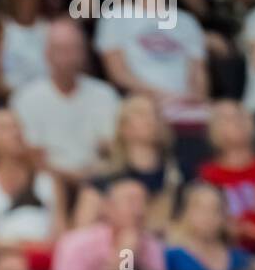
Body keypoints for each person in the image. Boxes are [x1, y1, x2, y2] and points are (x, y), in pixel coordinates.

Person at [95, 0, 208, 123]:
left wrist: (194, 98)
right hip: (141, 105)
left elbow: (198, 73)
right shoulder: (115, 17)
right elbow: (118, 73)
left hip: (186, 106)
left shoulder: (187, 22)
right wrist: (162, 96)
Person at [10, 19, 120, 188]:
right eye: (60, 50)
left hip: (98, 181)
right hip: (48, 181)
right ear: (47, 53)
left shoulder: (105, 95)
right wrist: (70, 178)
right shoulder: (26, 97)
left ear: (84, 53)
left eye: (73, 49)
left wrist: (92, 176)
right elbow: (31, 155)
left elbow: (112, 149)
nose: (68, 58)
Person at [50, 175, 166, 270]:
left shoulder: (152, 245)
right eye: (131, 201)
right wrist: (126, 253)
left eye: (143, 202)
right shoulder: (76, 242)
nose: (139, 210)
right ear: (108, 207)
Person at [0, 107, 65, 270]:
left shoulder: (48, 180)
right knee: (12, 267)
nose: (15, 133)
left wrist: (29, 249)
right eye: (5, 129)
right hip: (3, 263)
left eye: (17, 127)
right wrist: (26, 249)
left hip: (47, 261)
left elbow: (61, 235)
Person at [72, 94, 183, 236]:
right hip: (122, 253)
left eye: (155, 114)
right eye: (141, 114)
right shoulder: (103, 181)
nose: (151, 120)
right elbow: (81, 235)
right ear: (123, 127)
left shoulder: (177, 176)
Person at [166, 181, 249, 270]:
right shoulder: (171, 257)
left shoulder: (240, 258)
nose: (208, 216)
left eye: (215, 209)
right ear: (186, 212)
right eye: (201, 209)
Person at [198, 101, 255, 254]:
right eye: (227, 119)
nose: (237, 123)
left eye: (240, 116)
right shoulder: (208, 175)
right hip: (228, 254)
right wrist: (236, 229)